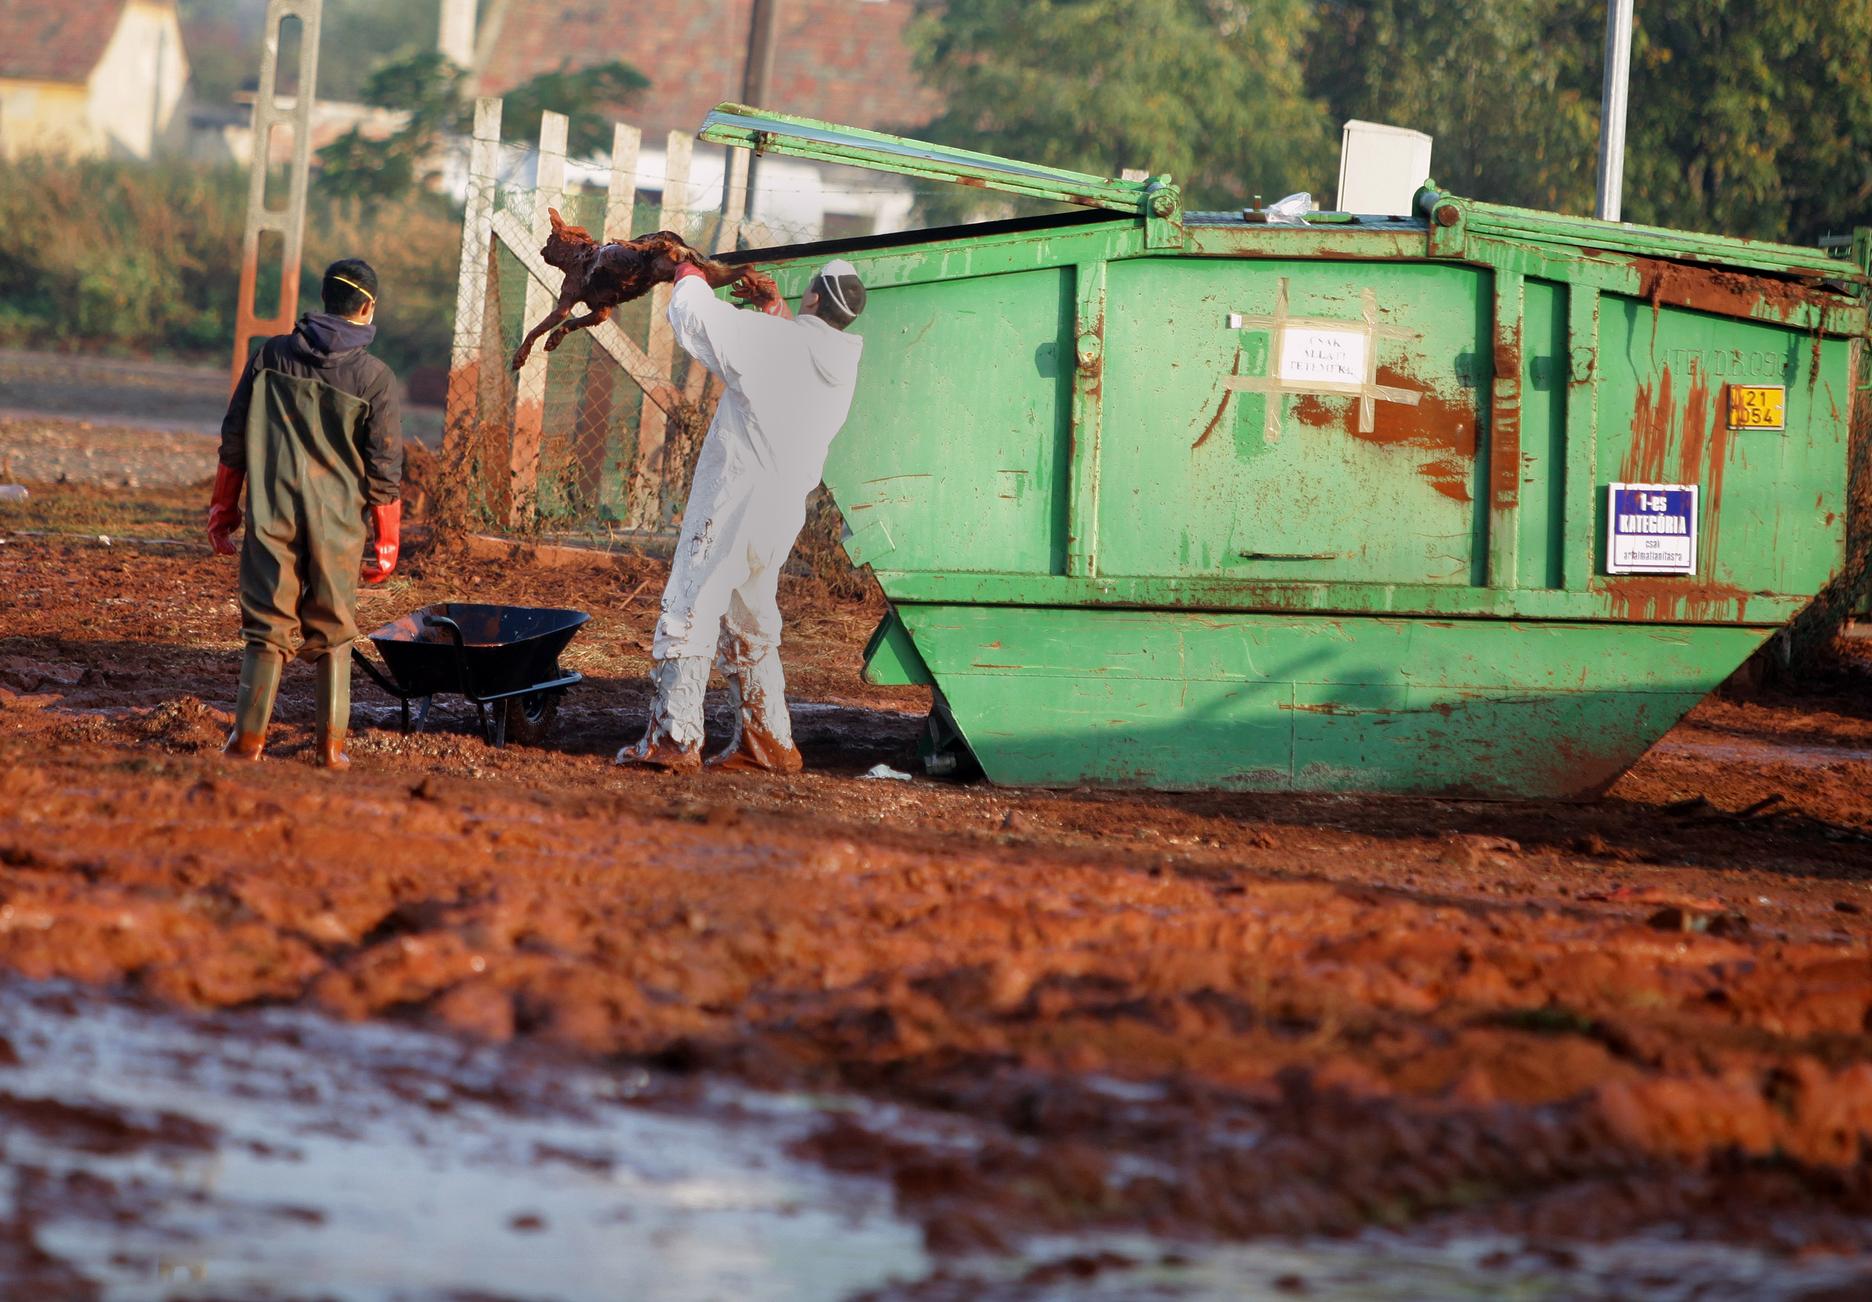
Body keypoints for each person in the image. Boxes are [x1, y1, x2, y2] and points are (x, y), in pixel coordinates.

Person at [617, 258, 867, 773]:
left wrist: (688, 273)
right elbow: (788, 354)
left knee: (691, 603)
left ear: (814, 300)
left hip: (734, 502)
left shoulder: (779, 344)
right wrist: (770, 310)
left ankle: (674, 738)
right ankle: (769, 742)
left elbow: (695, 320)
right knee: (750, 620)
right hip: (779, 513)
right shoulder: (836, 364)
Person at [206, 258, 404, 768]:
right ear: (367, 307)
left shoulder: (270, 355)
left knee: (265, 629)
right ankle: (330, 751)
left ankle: (245, 743)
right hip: (337, 527)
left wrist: (224, 507)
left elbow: (234, 435)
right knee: (335, 632)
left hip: (271, 516)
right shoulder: (375, 378)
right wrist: (386, 545)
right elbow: (384, 469)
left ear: (325, 299)